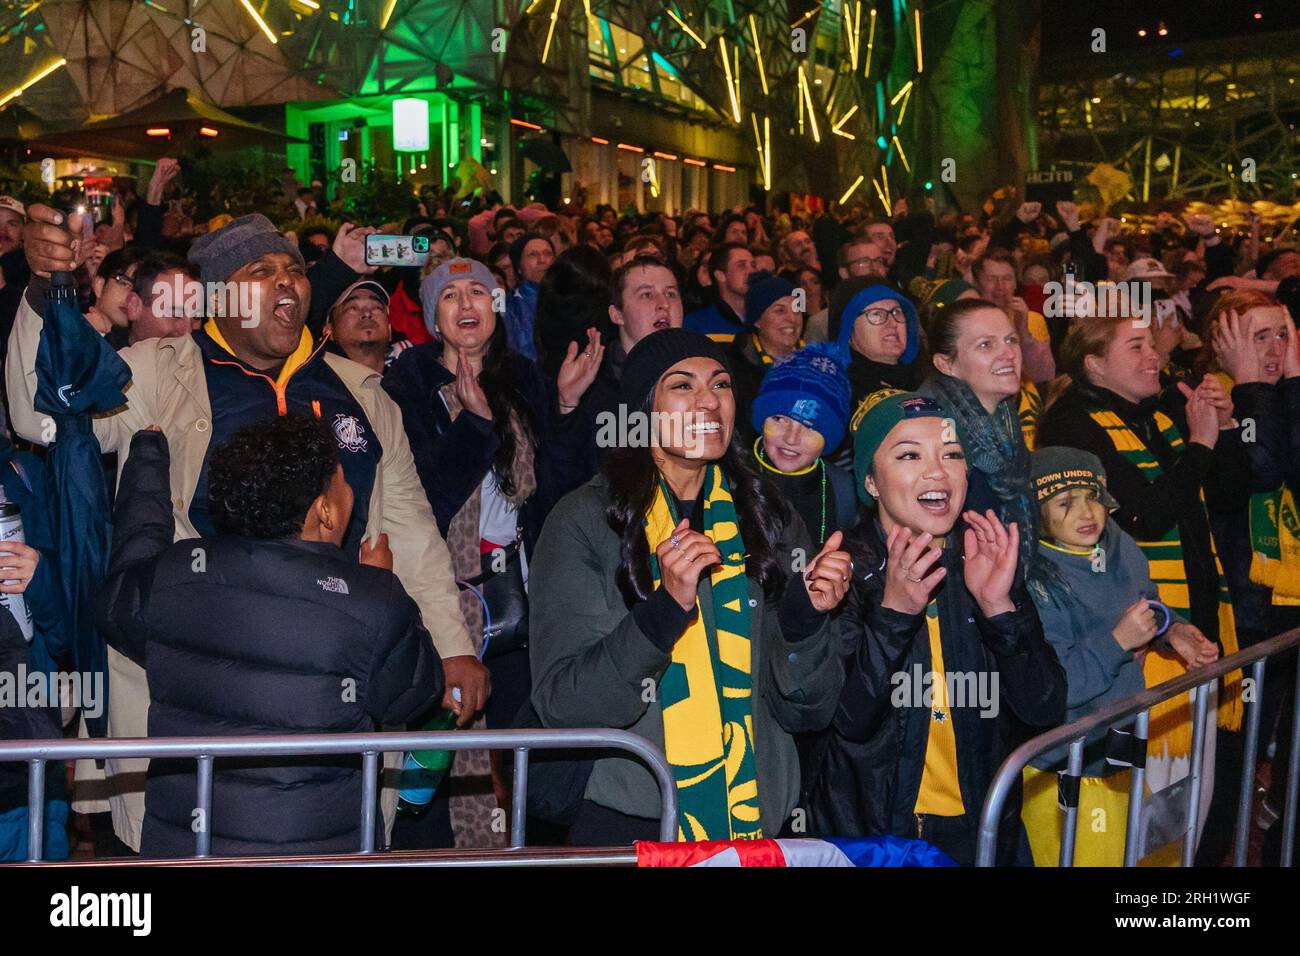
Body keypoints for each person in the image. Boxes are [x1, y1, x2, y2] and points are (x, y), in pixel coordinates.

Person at [12, 207, 485, 854]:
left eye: (294, 268)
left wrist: (452, 643)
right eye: (261, 270)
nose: (287, 281)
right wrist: (46, 291)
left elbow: (410, 527)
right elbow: (44, 413)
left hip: (332, 692)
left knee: (324, 841)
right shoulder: (157, 372)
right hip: (194, 698)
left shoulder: (360, 394)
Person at [529, 328, 850, 844]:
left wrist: (805, 620)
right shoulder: (585, 521)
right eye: (683, 386)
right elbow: (569, 706)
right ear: (643, 411)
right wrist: (663, 611)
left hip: (758, 825)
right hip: (632, 825)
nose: (709, 400)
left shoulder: (767, 516)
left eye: (721, 384)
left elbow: (808, 708)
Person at [96, 421, 443, 858]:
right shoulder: (370, 599)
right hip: (319, 851)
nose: (350, 494)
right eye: (342, 483)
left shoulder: (177, 573)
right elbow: (414, 693)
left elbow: (117, 600)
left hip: (187, 848)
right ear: (325, 512)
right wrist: (379, 585)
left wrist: (147, 458)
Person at [804, 389, 1066, 865]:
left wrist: (999, 607)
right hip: (877, 843)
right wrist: (895, 615)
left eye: (952, 453)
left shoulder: (982, 559)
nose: (937, 471)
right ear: (871, 481)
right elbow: (846, 722)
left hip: (983, 831)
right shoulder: (844, 572)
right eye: (909, 455)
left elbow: (1044, 705)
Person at [1037, 315, 1250, 865]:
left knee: (1192, 799)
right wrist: (1200, 446)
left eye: (1154, 345)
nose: (1154, 355)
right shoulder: (1073, 424)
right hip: (1132, 644)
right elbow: (1146, 516)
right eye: (1137, 346)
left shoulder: (1160, 414)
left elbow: (1227, 496)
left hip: (1178, 619)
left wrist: (1221, 431)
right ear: (1094, 363)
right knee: (1146, 817)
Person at [1022, 447, 1218, 866]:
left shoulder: (1118, 544)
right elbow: (1056, 687)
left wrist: (1172, 630)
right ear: (1036, 513)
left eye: (1092, 495)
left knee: (1135, 856)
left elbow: (1147, 601)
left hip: (1121, 742)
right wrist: (1118, 642)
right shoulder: (1035, 579)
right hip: (1066, 761)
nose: (1087, 511)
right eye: (1064, 502)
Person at [918, 298, 1039, 571]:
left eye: (1011, 340)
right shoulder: (931, 435)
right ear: (945, 364)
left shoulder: (1006, 423)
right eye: (986, 344)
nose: (1008, 353)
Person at [578, 254, 685, 472]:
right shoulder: (589, 385)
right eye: (647, 295)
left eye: (671, 293)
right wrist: (567, 404)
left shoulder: (705, 374)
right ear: (617, 314)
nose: (664, 304)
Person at [749, 342, 857, 547]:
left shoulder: (841, 490)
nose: (791, 439)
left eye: (809, 427)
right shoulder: (730, 476)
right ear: (762, 421)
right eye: (779, 419)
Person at [727, 270, 803, 442]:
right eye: (780, 311)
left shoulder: (818, 362)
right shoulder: (736, 369)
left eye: (797, 310)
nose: (792, 319)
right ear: (757, 320)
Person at [829, 277, 923, 409]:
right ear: (848, 330)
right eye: (876, 314)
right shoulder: (837, 395)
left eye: (897, 312)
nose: (893, 322)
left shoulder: (928, 376)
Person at [323, 278, 405, 375]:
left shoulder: (413, 380)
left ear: (389, 330)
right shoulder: (312, 384)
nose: (367, 313)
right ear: (329, 330)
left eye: (377, 308)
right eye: (352, 308)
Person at [683, 242, 754, 344]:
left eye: (753, 265)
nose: (751, 271)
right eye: (741, 265)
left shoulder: (765, 320)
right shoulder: (697, 323)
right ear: (720, 275)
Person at [503, 232, 554, 362]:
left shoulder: (570, 297)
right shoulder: (509, 306)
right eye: (533, 255)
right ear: (519, 267)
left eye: (547, 253)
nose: (542, 260)